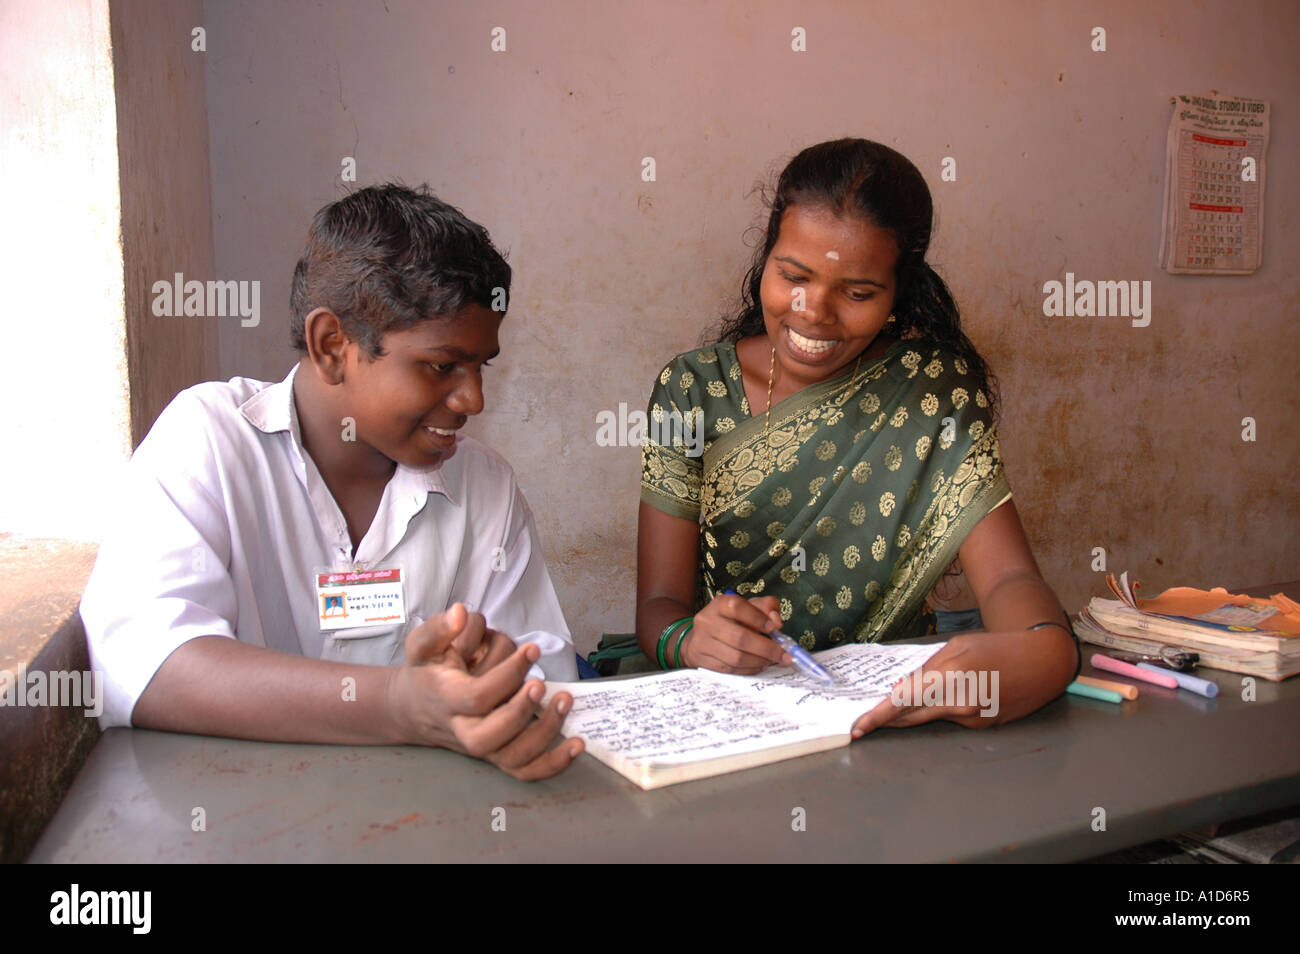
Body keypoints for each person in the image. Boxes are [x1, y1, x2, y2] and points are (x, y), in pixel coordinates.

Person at [80, 184, 583, 780]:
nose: (472, 398)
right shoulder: (209, 441)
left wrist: (494, 671)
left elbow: (548, 672)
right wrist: (397, 704)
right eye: (443, 366)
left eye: (481, 366)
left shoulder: (486, 488)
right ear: (332, 346)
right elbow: (146, 664)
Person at [636, 139, 1078, 734]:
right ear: (765, 258)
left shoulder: (931, 393)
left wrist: (1044, 652)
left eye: (858, 293)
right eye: (793, 275)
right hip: (728, 716)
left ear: (899, 293)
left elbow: (1008, 578)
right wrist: (689, 641)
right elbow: (657, 607)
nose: (814, 311)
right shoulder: (690, 390)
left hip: (898, 714)